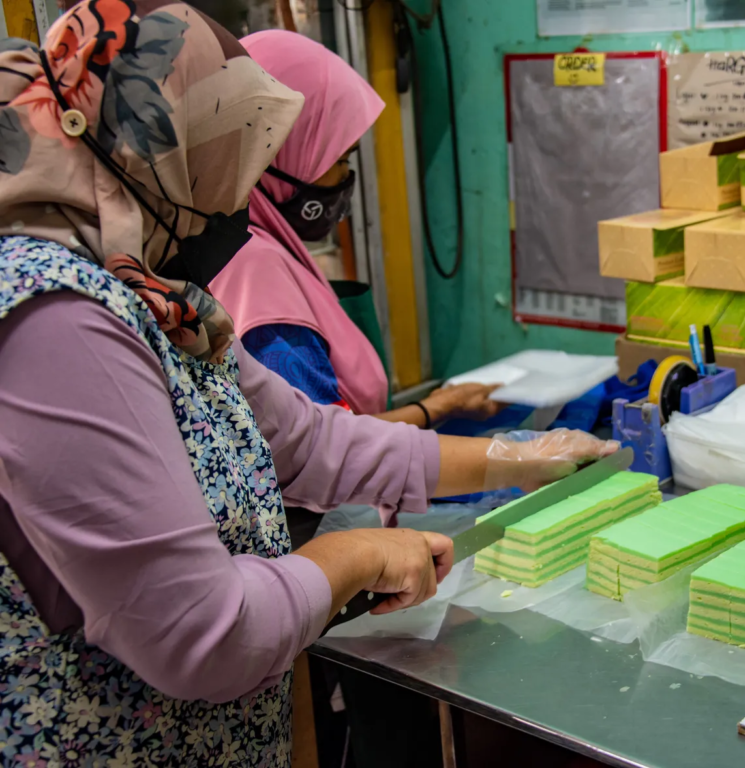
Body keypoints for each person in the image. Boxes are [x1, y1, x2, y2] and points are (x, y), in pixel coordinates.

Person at [0, 4, 615, 766]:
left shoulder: (155, 297)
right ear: (150, 146)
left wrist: (518, 457)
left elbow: (312, 440)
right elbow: (199, 633)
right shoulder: (56, 323)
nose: (234, 197)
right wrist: (357, 556)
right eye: (222, 158)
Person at [211, 29, 500, 432]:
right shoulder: (253, 268)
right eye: (340, 158)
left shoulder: (228, 245)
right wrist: (439, 408)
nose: (346, 178)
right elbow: (322, 448)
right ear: (276, 147)